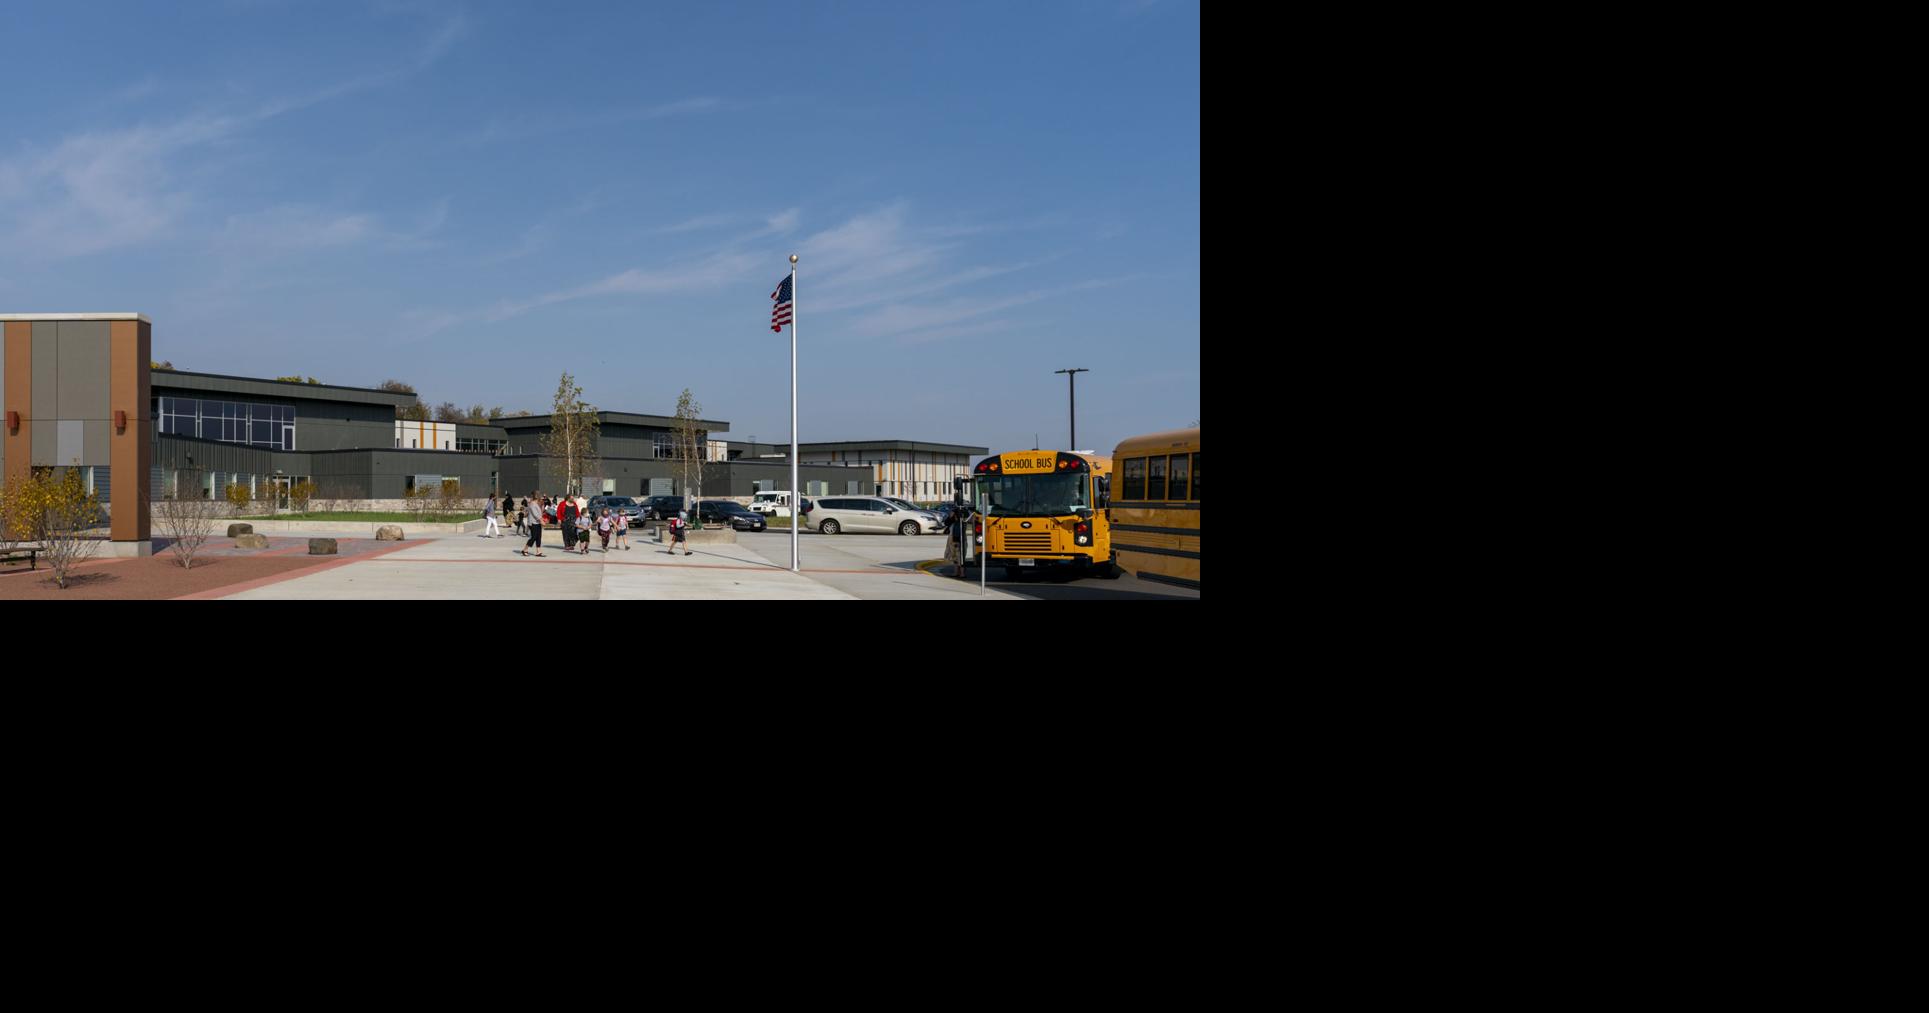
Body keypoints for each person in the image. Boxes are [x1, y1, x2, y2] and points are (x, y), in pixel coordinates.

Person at [521, 492, 546, 556]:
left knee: (538, 537)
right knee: (534, 537)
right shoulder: (532, 504)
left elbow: (540, 513)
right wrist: (541, 521)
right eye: (540, 496)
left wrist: (542, 519)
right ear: (537, 497)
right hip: (533, 523)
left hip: (537, 522)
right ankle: (525, 549)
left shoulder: (537, 504)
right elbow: (535, 515)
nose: (541, 498)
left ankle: (538, 551)